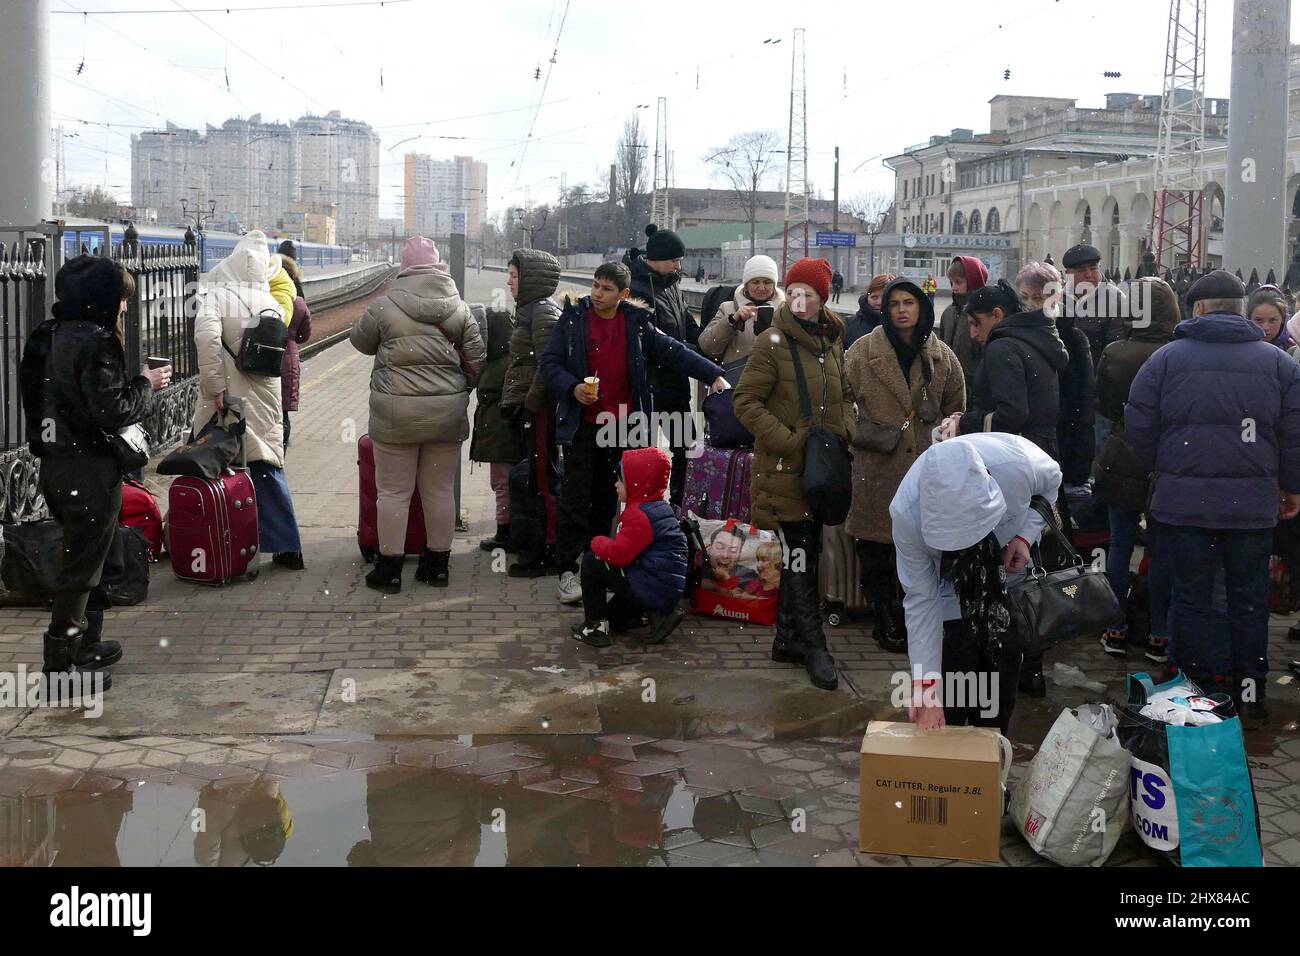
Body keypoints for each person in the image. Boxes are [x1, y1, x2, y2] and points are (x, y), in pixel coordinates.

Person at [1126, 270, 1300, 727]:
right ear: (1242, 310)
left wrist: (1168, 468)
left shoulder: (1165, 361)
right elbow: (1295, 435)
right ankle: (1249, 690)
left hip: (1184, 507)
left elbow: (1137, 427)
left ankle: (1191, 688)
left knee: (1190, 597)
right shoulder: (1280, 364)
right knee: (1248, 599)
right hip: (1253, 509)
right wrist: (1290, 486)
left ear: (1198, 308)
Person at [19, 255, 170, 694]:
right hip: (88, 469)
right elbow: (113, 411)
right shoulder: (97, 342)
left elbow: (39, 399)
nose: (124, 308)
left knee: (95, 558)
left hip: (54, 463)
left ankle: (86, 645)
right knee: (82, 567)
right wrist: (145, 384)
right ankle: (60, 667)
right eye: (122, 299)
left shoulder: (44, 335)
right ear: (103, 299)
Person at [541, 261, 727, 606]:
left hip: (623, 427)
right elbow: (550, 364)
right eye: (595, 285)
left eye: (606, 288)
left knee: (609, 498)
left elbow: (674, 351)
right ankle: (567, 569)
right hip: (583, 424)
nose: (597, 293)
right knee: (576, 497)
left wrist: (712, 374)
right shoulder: (574, 319)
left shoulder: (637, 323)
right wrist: (573, 387)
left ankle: (596, 560)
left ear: (624, 294)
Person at [733, 257, 855, 691]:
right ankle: (815, 647)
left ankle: (787, 639)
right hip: (785, 470)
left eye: (811, 293)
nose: (802, 300)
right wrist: (787, 439)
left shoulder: (833, 341)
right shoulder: (772, 342)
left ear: (823, 298)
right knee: (801, 556)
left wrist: (846, 433)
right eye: (796, 291)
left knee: (807, 553)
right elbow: (745, 402)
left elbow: (845, 396)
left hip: (823, 470)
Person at [890, 433, 1063, 733]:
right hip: (946, 586)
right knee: (957, 662)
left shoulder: (1017, 465)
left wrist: (1024, 536)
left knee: (1002, 664)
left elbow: (1053, 483)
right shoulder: (906, 515)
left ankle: (992, 751)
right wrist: (926, 686)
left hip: (1005, 570)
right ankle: (954, 756)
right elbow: (921, 600)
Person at [350, 236, 486, 592]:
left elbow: (360, 342)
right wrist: (455, 390)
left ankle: (390, 571)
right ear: (439, 265)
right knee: (439, 492)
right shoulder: (460, 309)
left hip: (396, 417)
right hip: (445, 417)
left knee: (393, 493)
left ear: (404, 267)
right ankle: (437, 567)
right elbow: (477, 358)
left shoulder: (385, 306)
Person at [845, 278, 965, 655]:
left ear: (921, 307)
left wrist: (946, 434)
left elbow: (957, 407)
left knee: (921, 550)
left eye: (909, 302)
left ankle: (917, 617)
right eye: (894, 303)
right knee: (877, 548)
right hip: (877, 465)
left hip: (927, 468)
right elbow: (839, 401)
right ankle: (885, 617)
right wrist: (861, 432)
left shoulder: (942, 355)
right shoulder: (863, 352)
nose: (901, 310)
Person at [194, 230, 306, 572]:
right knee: (267, 465)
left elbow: (207, 340)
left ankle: (214, 539)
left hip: (228, 394)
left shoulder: (214, 297)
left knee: (209, 462)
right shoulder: (269, 301)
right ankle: (287, 545)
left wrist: (215, 389)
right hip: (266, 396)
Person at [1095, 278, 1179, 663]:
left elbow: (1107, 405)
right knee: (1162, 550)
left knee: (1119, 543)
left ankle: (1115, 626)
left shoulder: (1115, 351)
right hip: (1168, 457)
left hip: (1123, 451)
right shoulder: (1179, 354)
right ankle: (1159, 633)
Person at [570, 447, 689, 647]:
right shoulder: (659, 507)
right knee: (613, 616)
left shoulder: (639, 515)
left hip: (651, 587)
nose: (616, 484)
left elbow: (619, 555)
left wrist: (597, 542)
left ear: (637, 484)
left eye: (621, 480)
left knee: (592, 562)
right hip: (662, 586)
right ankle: (650, 616)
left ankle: (596, 629)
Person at [945, 279, 1068, 461]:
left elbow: (1012, 414)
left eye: (975, 323)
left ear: (997, 315)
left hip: (1013, 458)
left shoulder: (1002, 348)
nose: (972, 333)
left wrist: (964, 423)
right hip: (1042, 453)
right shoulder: (1035, 340)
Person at [625, 225, 701, 508]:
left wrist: (706, 345)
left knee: (689, 448)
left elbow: (686, 325)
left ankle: (680, 506)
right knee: (643, 454)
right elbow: (652, 344)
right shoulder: (635, 290)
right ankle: (642, 513)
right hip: (647, 388)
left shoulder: (672, 286)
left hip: (674, 385)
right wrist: (694, 358)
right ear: (655, 258)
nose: (678, 266)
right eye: (674, 261)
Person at [499, 249, 563, 576]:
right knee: (538, 476)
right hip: (532, 406)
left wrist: (531, 402)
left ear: (531, 279)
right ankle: (537, 542)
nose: (509, 282)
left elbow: (547, 364)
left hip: (540, 410)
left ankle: (547, 551)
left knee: (544, 478)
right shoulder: (530, 310)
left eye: (514, 275)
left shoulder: (542, 312)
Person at [470, 302, 526, 554]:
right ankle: (514, 528)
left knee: (501, 483)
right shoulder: (513, 358)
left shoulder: (493, 363)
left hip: (499, 433)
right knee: (508, 483)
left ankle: (504, 532)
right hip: (510, 432)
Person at [696, 254, 785, 376]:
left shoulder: (785, 311)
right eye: (755, 282)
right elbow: (707, 347)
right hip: (736, 386)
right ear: (746, 285)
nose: (761, 287)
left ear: (774, 285)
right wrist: (732, 321)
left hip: (775, 386)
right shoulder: (727, 308)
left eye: (767, 282)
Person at [1061, 243, 1127, 366]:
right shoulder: (1059, 299)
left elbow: (1116, 348)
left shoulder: (1115, 299)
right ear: (1068, 273)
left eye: (1093, 268)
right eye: (1081, 270)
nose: (1089, 274)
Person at [937, 256, 988, 405]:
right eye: (952, 282)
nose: (954, 287)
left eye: (959, 282)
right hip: (948, 390)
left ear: (973, 282)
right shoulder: (948, 313)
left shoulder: (984, 314)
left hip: (975, 391)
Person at [275, 253, 312, 452]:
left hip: (263, 360)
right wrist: (292, 340)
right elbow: (305, 335)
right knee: (283, 412)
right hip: (288, 360)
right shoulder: (298, 303)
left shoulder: (263, 296)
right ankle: (282, 452)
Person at [845, 273, 896, 349]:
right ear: (867, 297)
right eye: (874, 297)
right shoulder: (847, 325)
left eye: (885, 297)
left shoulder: (904, 326)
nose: (879, 302)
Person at [702, 524, 757, 593]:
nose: (725, 555)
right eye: (719, 547)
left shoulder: (749, 576)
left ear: (740, 554)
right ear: (709, 548)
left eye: (733, 550)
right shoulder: (699, 569)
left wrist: (727, 579)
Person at [1248, 285, 1299, 357]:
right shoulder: (1240, 349)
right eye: (1259, 320)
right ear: (1249, 319)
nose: (1265, 327)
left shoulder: (1294, 352)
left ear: (1283, 320)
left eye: (1272, 320)